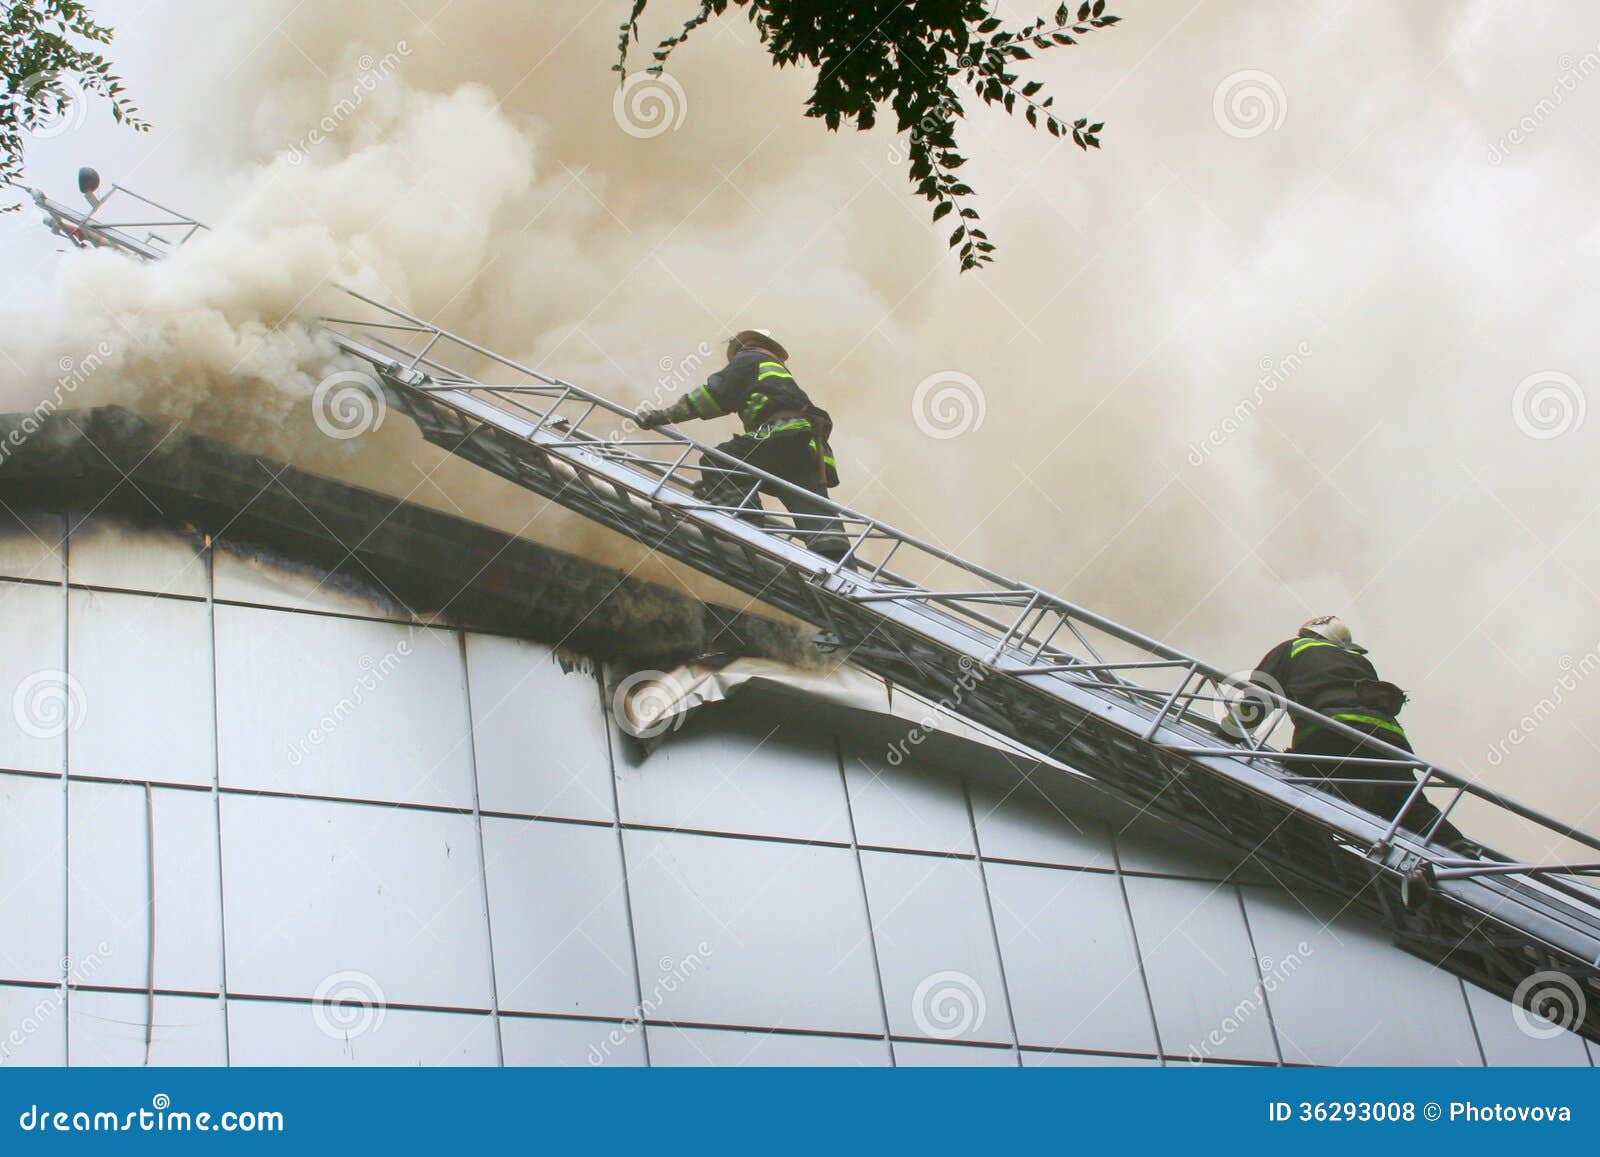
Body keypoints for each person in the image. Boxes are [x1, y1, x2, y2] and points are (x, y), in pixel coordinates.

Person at [1248, 615, 1474, 853]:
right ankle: (1456, 845)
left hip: (1332, 731)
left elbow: (1259, 696)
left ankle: (1304, 846)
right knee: (1406, 802)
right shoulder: (1358, 661)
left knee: (1296, 780)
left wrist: (1230, 734)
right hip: (1389, 739)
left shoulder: (1294, 647)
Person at [635, 330, 850, 561]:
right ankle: (840, 565)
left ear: (743, 346)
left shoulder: (749, 358)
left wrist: (662, 416)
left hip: (779, 434)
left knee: (720, 460)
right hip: (808, 446)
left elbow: (713, 397)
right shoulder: (779, 371)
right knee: (815, 513)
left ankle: (743, 518)